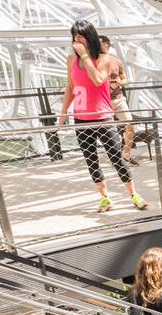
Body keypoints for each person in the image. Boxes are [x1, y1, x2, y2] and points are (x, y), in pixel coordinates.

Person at [57, 20, 147, 214]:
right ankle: (105, 198)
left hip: (103, 117)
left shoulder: (105, 59)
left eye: (80, 36)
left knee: (116, 157)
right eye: (74, 36)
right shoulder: (71, 60)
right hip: (81, 118)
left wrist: (84, 56)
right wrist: (64, 113)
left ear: (89, 37)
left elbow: (98, 80)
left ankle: (134, 194)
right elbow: (70, 88)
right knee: (91, 160)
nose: (76, 40)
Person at [99, 36, 137, 165]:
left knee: (130, 125)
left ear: (107, 46)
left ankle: (126, 155)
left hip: (118, 99)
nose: (98, 47)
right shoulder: (94, 62)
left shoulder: (117, 61)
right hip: (103, 101)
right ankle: (115, 157)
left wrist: (122, 81)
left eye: (101, 44)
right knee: (108, 131)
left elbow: (125, 78)